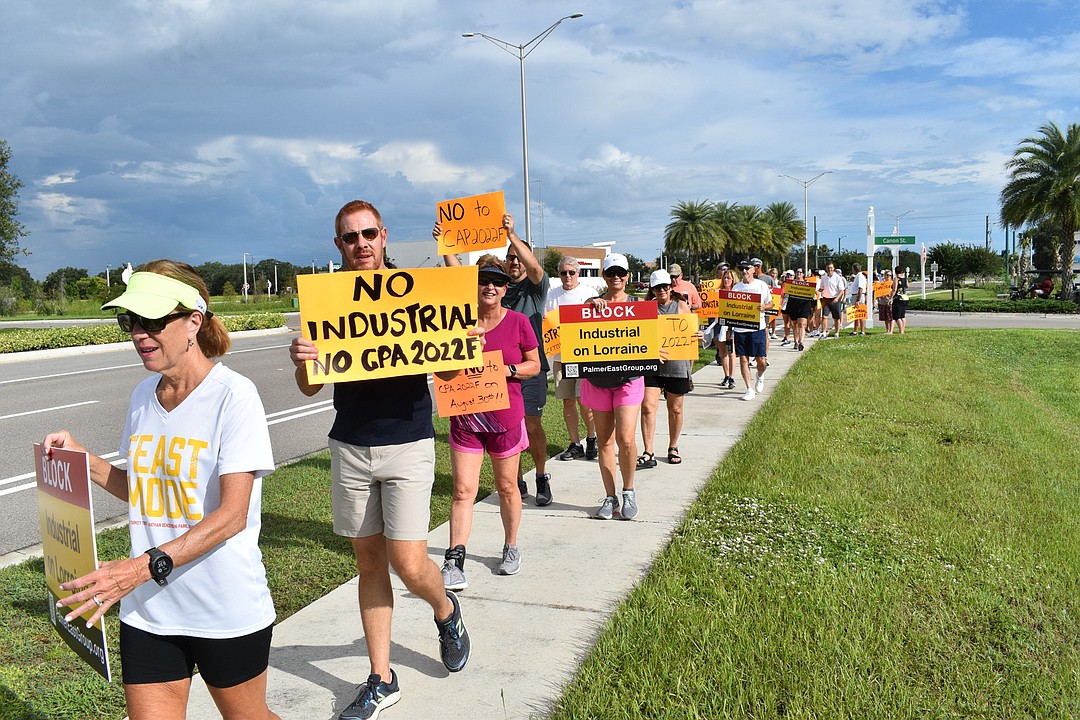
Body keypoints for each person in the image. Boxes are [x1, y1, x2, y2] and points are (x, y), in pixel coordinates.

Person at [44, 261, 281, 720]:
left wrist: (139, 568)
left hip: (223, 609)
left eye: (152, 321)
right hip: (149, 612)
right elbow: (146, 492)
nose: (138, 334)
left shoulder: (235, 396)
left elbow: (233, 515)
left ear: (194, 321)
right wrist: (86, 461)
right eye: (130, 321)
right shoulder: (141, 397)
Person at [293, 200, 470, 720]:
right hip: (349, 445)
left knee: (410, 563)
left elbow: (454, 378)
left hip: (409, 444)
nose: (361, 244)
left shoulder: (420, 294)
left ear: (384, 235)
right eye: (350, 238)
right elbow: (311, 386)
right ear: (338, 245)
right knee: (368, 563)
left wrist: (462, 346)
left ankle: (445, 609)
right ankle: (381, 677)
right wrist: (302, 361)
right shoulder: (326, 302)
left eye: (369, 233)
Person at [439, 257, 541, 590]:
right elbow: (442, 373)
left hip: (506, 418)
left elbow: (534, 365)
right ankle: (455, 559)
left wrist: (506, 371)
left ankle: (511, 546)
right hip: (466, 417)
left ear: (505, 287)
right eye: (484, 280)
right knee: (462, 490)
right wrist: (463, 349)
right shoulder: (458, 324)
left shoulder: (519, 322)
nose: (490, 287)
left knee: (508, 487)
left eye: (497, 282)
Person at [439, 214, 551, 505]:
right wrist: (445, 243)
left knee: (531, 423)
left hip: (525, 367)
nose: (515, 262)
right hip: (488, 376)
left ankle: (541, 474)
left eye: (518, 258)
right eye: (509, 258)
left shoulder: (534, 288)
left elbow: (535, 266)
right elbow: (463, 276)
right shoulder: (489, 290)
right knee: (505, 427)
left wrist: (512, 235)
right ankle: (515, 480)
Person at [580, 253, 643, 520]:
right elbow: (576, 331)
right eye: (610, 273)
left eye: (620, 273)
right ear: (604, 276)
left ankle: (629, 490)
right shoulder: (591, 304)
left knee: (625, 438)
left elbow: (650, 340)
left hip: (629, 379)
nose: (616, 277)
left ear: (628, 276)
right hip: (597, 378)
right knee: (604, 441)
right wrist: (590, 304)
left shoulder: (639, 305)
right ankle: (610, 496)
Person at [638, 270, 698, 469]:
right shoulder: (646, 308)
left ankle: (673, 446)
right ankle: (648, 451)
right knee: (647, 407)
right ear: (652, 289)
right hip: (653, 365)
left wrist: (696, 336)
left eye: (665, 286)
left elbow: (690, 334)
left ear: (670, 287)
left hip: (677, 365)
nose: (661, 290)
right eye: (657, 287)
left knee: (675, 408)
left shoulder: (680, 306)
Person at [545, 256, 599, 464]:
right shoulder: (552, 296)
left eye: (571, 272)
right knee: (567, 400)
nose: (567, 276)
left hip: (584, 357)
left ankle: (592, 438)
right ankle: (575, 443)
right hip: (560, 357)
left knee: (584, 400)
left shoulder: (589, 294)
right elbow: (546, 322)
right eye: (563, 272)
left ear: (578, 273)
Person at [732, 260, 773, 401]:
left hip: (757, 327)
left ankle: (760, 375)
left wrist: (764, 307)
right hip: (740, 328)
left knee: (760, 359)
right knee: (743, 358)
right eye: (741, 268)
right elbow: (730, 308)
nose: (744, 271)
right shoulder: (736, 288)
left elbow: (771, 303)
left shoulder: (761, 285)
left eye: (746, 268)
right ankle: (749, 388)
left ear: (753, 270)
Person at [709, 267, 738, 387]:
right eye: (724, 278)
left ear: (733, 280)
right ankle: (726, 375)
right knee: (723, 352)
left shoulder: (737, 293)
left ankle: (732, 377)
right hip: (719, 324)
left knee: (731, 351)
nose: (726, 280)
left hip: (732, 326)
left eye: (729, 278)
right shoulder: (716, 293)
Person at [782, 268, 813, 351]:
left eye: (800, 272)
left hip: (804, 305)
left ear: (803, 274)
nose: (799, 273)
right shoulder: (791, 284)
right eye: (797, 272)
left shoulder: (807, 284)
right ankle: (796, 341)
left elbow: (812, 295)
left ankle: (801, 342)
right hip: (793, 305)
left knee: (802, 324)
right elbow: (785, 294)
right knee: (794, 324)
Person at [817, 262, 846, 339]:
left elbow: (842, 290)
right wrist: (816, 291)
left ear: (833, 269)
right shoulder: (823, 278)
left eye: (831, 268)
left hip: (835, 299)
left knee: (836, 318)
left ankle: (837, 333)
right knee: (824, 316)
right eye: (828, 268)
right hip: (826, 299)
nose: (830, 269)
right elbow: (822, 288)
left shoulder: (838, 278)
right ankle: (824, 332)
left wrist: (837, 299)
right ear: (826, 269)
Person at [848, 263, 868, 336]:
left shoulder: (860, 277)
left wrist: (858, 300)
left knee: (860, 314)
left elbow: (860, 289)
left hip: (858, 296)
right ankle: (855, 330)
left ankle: (862, 330)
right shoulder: (858, 276)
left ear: (854, 269)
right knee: (856, 315)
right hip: (856, 295)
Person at [891, 266, 910, 334]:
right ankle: (903, 330)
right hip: (905, 298)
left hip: (898, 298)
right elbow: (908, 286)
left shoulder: (896, 279)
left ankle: (901, 331)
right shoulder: (905, 279)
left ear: (895, 272)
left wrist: (891, 297)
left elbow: (894, 289)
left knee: (896, 316)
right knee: (902, 316)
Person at [879, 269, 895, 334]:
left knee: (890, 316)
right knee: (885, 317)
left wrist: (889, 295)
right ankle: (887, 330)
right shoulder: (882, 284)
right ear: (884, 275)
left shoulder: (892, 283)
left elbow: (894, 291)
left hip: (889, 301)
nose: (888, 276)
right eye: (887, 275)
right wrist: (880, 295)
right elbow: (878, 292)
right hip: (882, 301)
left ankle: (891, 330)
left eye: (890, 275)